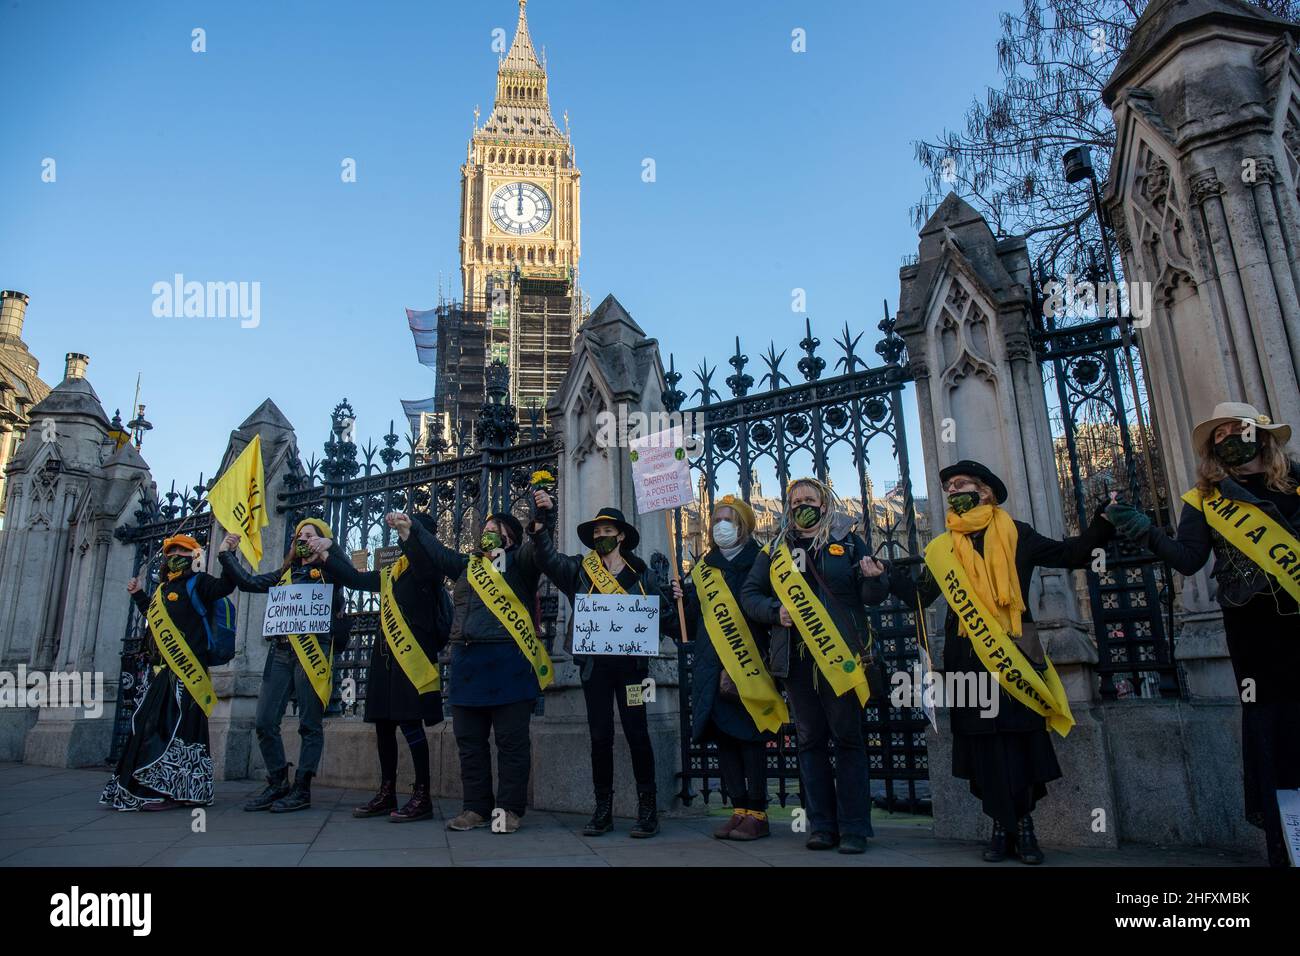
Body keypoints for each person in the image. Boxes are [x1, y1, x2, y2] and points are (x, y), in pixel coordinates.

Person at [875, 459, 1113, 864]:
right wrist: (882, 574)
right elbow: (922, 597)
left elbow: (1072, 554)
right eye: (948, 486)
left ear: (984, 491)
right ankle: (1001, 827)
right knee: (984, 744)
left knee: (1021, 738)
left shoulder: (1016, 533)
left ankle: (1024, 826)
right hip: (967, 657)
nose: (952, 490)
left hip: (1016, 651)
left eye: (960, 483)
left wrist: (1103, 524)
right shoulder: (941, 547)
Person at [1108, 402, 1300, 867]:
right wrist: (1139, 527)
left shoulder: (1296, 484)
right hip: (1256, 636)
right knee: (1277, 739)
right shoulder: (1204, 500)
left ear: (1261, 435)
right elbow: (1188, 560)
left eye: (1239, 428)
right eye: (1220, 433)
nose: (1230, 436)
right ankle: (1290, 847)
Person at [740, 476, 888, 854]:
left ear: (824, 504)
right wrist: (777, 612)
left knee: (849, 740)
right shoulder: (774, 549)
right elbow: (749, 596)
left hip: (841, 658)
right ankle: (821, 825)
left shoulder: (848, 540)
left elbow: (870, 597)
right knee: (810, 742)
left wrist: (875, 579)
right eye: (794, 500)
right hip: (796, 660)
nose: (801, 504)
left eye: (809, 498)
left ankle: (854, 827)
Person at [529, 492, 675, 838]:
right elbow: (547, 558)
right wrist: (544, 521)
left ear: (621, 535)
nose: (600, 536)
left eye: (606, 530)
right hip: (595, 670)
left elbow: (665, 619)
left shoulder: (642, 576)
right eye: (596, 532)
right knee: (600, 737)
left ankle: (647, 810)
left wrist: (676, 602)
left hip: (634, 672)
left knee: (638, 734)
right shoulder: (580, 571)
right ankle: (602, 810)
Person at [401, 508, 551, 834]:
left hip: (509, 663)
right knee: (470, 744)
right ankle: (476, 808)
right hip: (468, 664)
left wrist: (540, 519)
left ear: (510, 537)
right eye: (485, 528)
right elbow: (438, 554)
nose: (488, 533)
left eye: (496, 529)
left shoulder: (520, 564)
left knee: (511, 743)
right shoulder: (468, 566)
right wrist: (412, 528)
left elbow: (536, 547)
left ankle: (508, 811)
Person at [320, 511, 450, 823]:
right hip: (385, 659)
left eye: (410, 535)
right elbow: (354, 578)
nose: (403, 542)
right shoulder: (393, 573)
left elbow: (423, 561)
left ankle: (423, 795)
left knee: (410, 724)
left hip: (412, 660)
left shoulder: (429, 568)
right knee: (383, 725)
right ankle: (387, 790)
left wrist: (410, 533)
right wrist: (327, 552)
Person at [674, 494, 787, 841]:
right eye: (716, 519)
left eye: (729, 519)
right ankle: (739, 810)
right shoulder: (705, 569)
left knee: (751, 739)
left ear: (744, 525)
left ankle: (758, 813)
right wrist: (679, 600)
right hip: (712, 666)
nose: (720, 525)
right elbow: (690, 625)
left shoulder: (763, 560)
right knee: (724, 738)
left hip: (751, 663)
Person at [219, 517, 347, 813]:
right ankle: (277, 782)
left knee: (309, 724)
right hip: (280, 653)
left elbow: (350, 574)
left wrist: (331, 548)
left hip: (312, 653)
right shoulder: (285, 574)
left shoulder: (330, 572)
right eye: (299, 535)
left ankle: (302, 788)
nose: (303, 538)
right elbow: (249, 582)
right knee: (264, 721)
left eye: (310, 535)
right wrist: (226, 553)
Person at [101, 533, 237, 811]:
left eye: (182, 551)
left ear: (192, 558)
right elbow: (153, 617)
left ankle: (176, 791)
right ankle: (156, 787)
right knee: (153, 726)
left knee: (182, 731)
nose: (175, 555)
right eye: (172, 551)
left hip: (190, 671)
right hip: (164, 671)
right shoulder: (162, 590)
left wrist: (226, 553)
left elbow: (226, 586)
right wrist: (138, 594)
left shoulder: (200, 583)